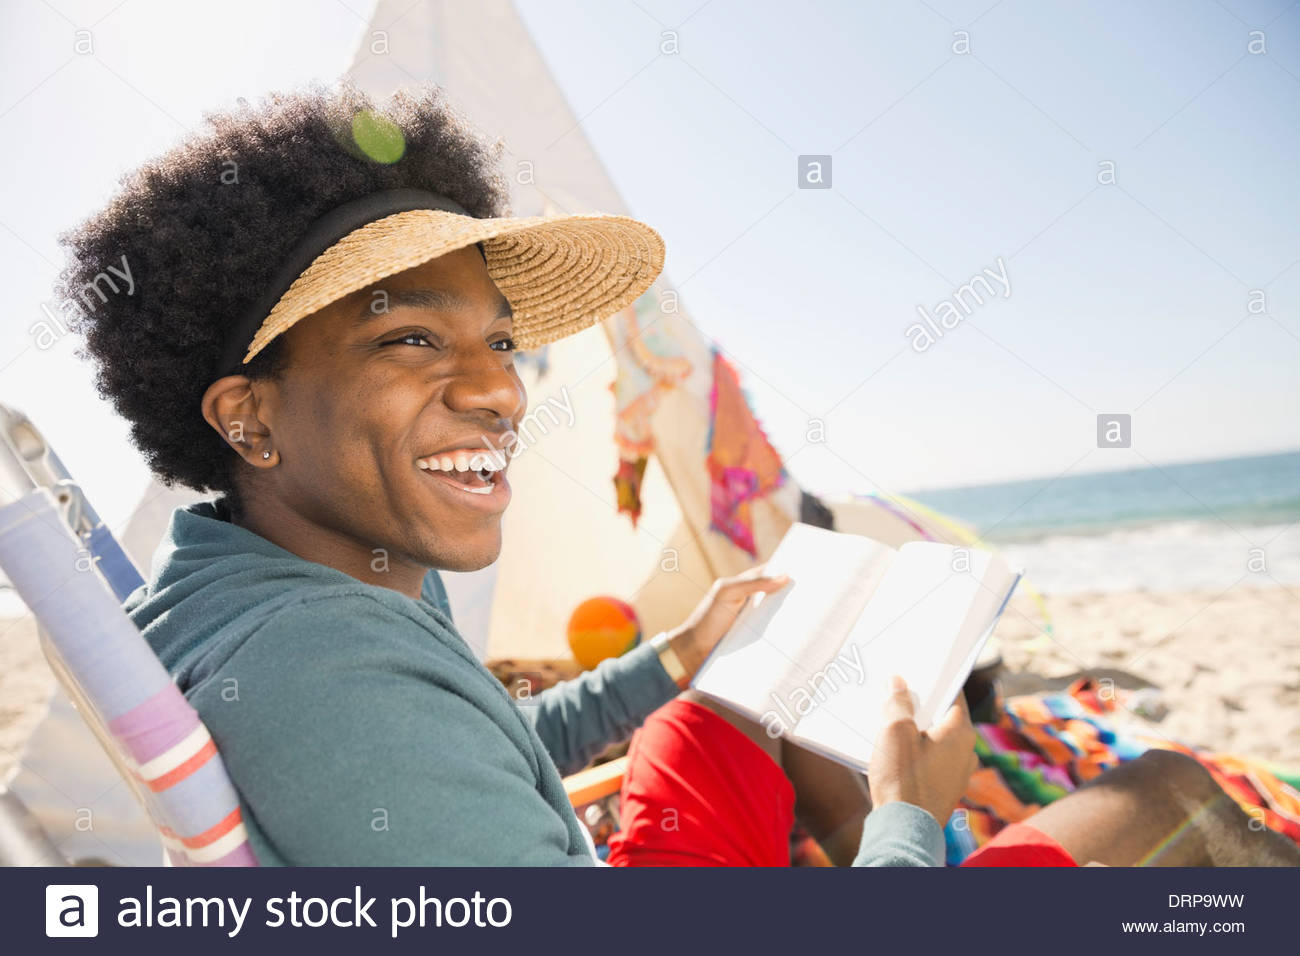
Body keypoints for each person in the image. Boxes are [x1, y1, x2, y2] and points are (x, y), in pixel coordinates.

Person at [63, 85, 1298, 867]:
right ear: (249, 417)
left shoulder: (320, 565)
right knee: (1168, 791)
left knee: (756, 703)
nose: (499, 388)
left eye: (500, 340)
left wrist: (674, 657)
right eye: (409, 338)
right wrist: (914, 819)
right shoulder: (326, 675)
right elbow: (405, 739)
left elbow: (490, 747)